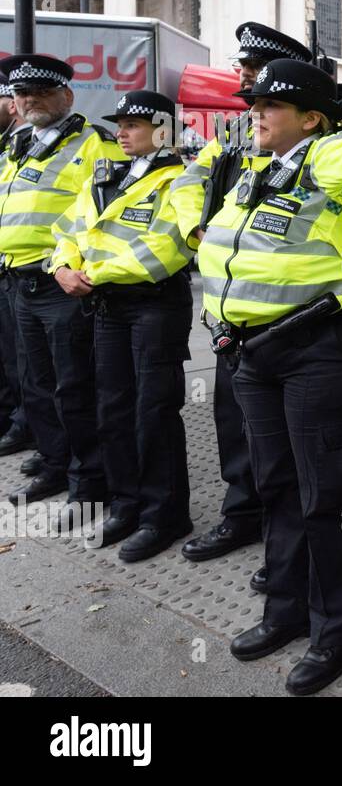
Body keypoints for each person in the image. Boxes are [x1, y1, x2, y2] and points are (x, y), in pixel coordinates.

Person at [198, 59, 342, 695]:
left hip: (317, 349)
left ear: (310, 118)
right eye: (253, 105)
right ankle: (287, 609)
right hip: (251, 353)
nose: (254, 115)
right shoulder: (256, 172)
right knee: (276, 485)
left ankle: (340, 626)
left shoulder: (330, 156)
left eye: (268, 107)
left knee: (326, 491)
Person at [171, 23, 313, 585]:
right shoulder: (231, 133)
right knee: (233, 422)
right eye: (246, 72)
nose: (246, 81)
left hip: (288, 317)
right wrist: (197, 231)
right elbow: (186, 183)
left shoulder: (310, 137)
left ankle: (289, 547)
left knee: (283, 444)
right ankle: (243, 515)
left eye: (259, 73)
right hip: (232, 311)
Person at [49, 90, 195, 560]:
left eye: (132, 125)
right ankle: (127, 503)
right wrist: (61, 268)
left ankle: (164, 515)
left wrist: (90, 274)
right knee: (112, 408)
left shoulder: (182, 179)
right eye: (120, 124)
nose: (121, 132)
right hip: (108, 306)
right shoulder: (105, 175)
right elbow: (71, 229)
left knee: (153, 412)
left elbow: (167, 250)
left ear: (163, 130)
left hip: (152, 306)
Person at [0, 55, 124, 518]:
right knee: (35, 385)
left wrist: (66, 266)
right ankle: (55, 464)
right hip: (19, 281)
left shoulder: (95, 144)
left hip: (62, 284)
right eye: (21, 93)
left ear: (66, 97)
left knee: (74, 389)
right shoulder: (19, 144)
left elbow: (103, 217)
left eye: (40, 92)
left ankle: (90, 485)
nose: (29, 100)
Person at [0, 73, 37, 463]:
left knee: (36, 371)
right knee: (16, 363)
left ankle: (36, 434)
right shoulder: (13, 146)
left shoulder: (88, 144)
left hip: (43, 276)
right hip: (11, 268)